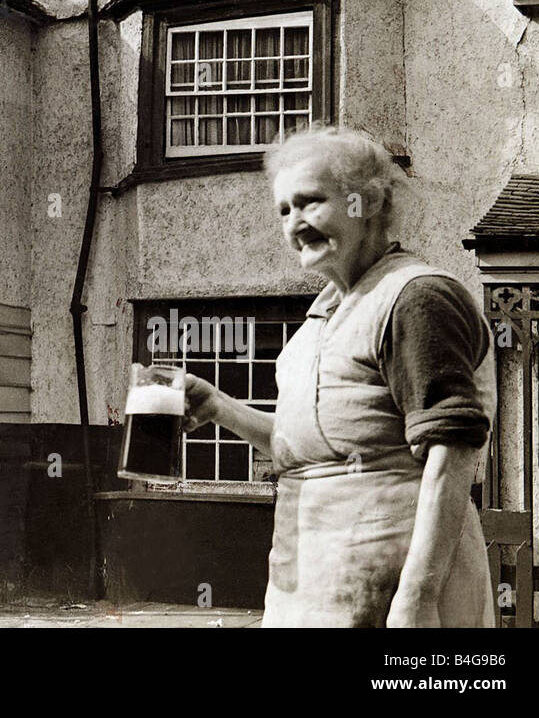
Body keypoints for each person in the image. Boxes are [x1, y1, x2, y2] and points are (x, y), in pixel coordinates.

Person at [184, 124, 495, 627]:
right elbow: (307, 451)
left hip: (394, 590)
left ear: (366, 202)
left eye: (310, 202)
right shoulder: (324, 314)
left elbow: (452, 452)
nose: (294, 223)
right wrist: (219, 406)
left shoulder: (416, 297)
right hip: (313, 587)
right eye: (284, 210)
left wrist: (418, 596)